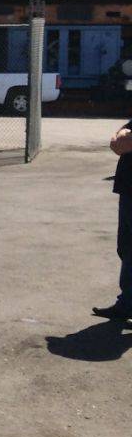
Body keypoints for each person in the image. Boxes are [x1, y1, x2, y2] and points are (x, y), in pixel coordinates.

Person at [95, 121, 132, 319]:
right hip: (128, 192)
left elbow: (123, 142)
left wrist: (124, 136)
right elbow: (117, 143)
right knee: (126, 248)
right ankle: (126, 304)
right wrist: (123, 135)